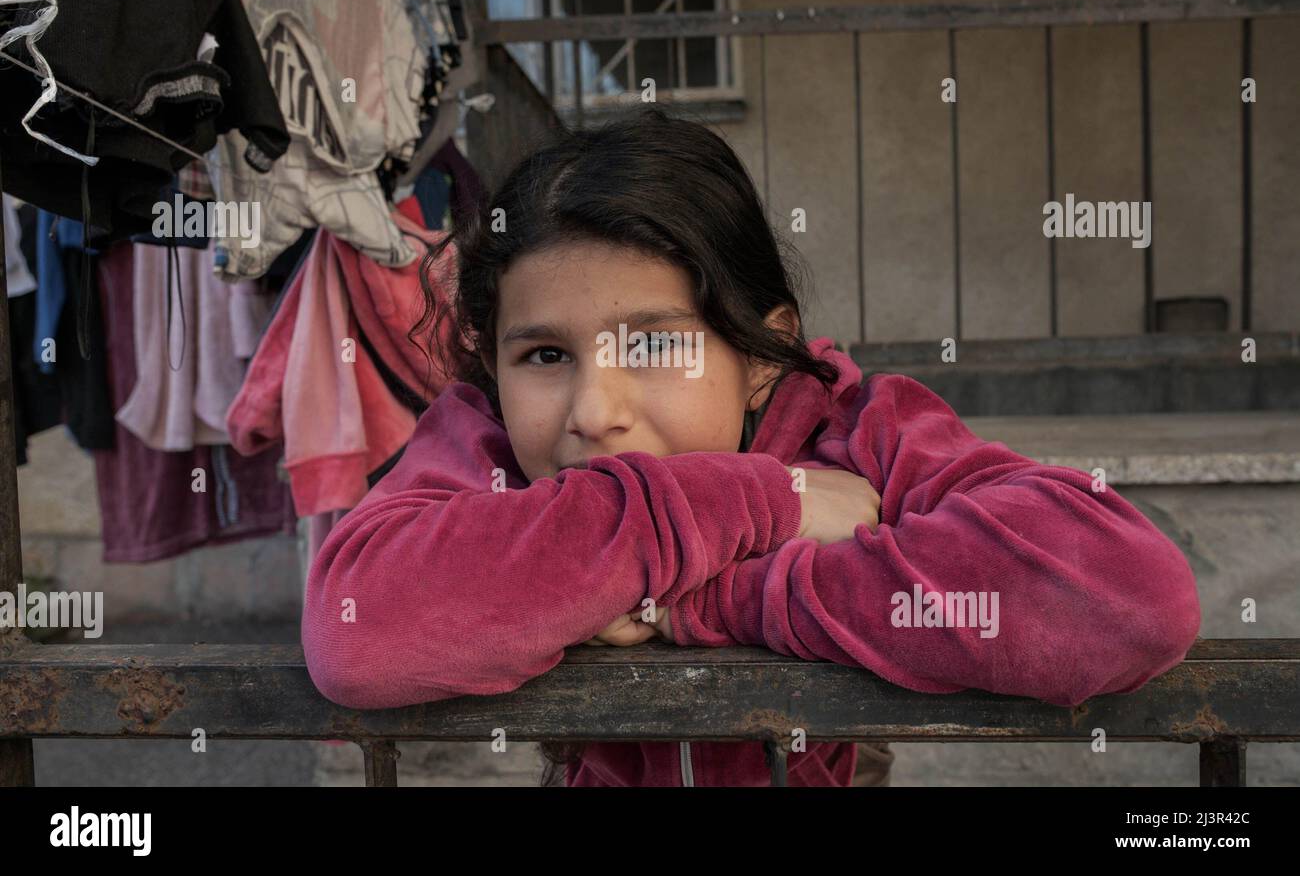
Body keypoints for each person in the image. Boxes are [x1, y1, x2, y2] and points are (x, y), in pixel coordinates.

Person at [300, 106, 1202, 787]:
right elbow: (358, 632)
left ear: (763, 357)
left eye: (653, 344)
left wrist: (704, 598)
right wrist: (767, 504)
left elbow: (1126, 599)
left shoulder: (861, 432)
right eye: (544, 355)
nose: (595, 409)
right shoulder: (487, 441)